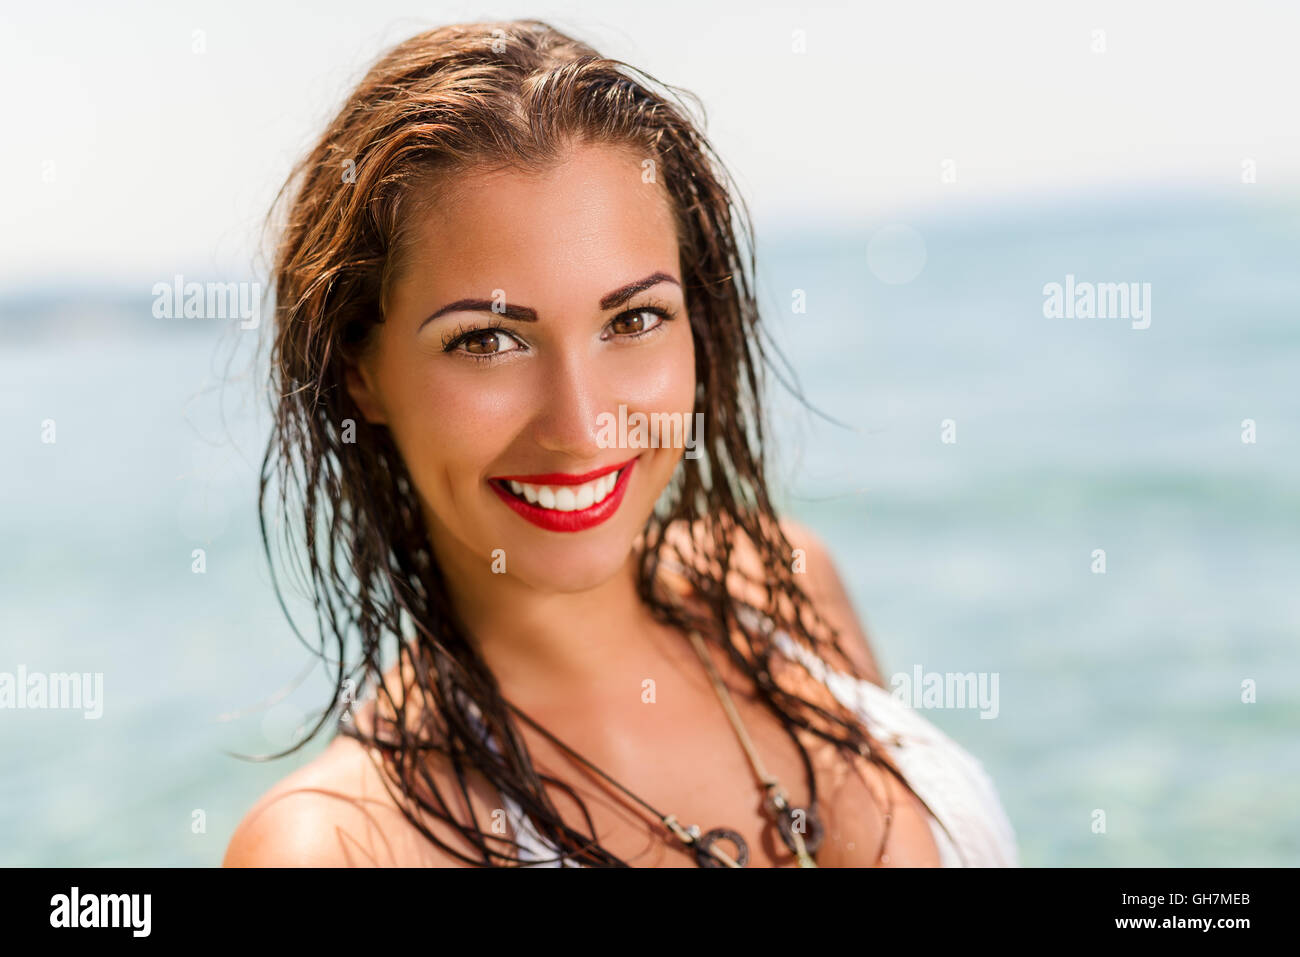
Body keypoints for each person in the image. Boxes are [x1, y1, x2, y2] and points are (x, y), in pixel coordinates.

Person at [222, 18, 1018, 868]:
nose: (581, 427)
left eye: (633, 319)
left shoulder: (788, 588)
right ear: (361, 375)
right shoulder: (338, 844)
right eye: (487, 339)